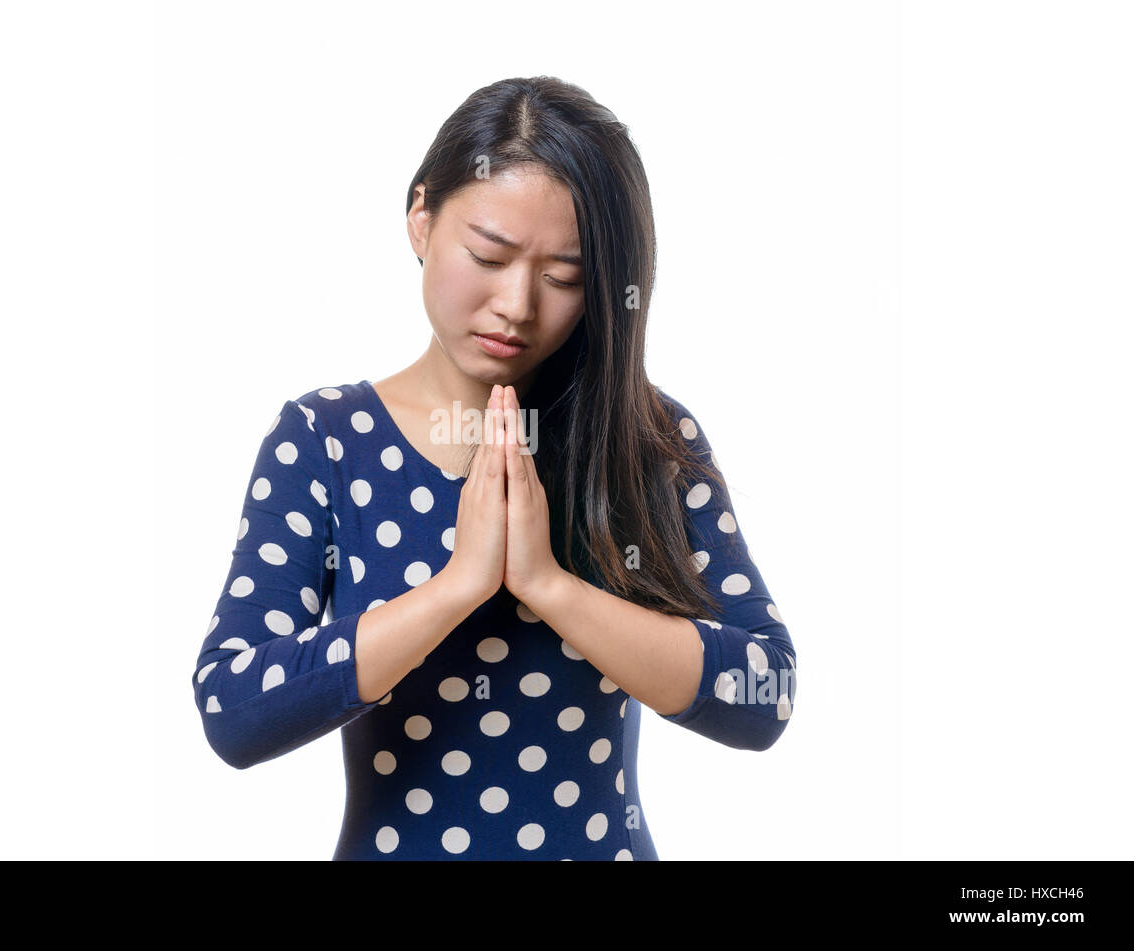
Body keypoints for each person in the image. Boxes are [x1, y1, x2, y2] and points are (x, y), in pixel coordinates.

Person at [190, 76, 797, 860]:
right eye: (489, 254)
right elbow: (234, 708)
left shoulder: (644, 436)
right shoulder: (325, 438)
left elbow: (765, 690)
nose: (517, 303)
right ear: (420, 218)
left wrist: (548, 584)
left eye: (563, 277)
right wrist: (457, 588)